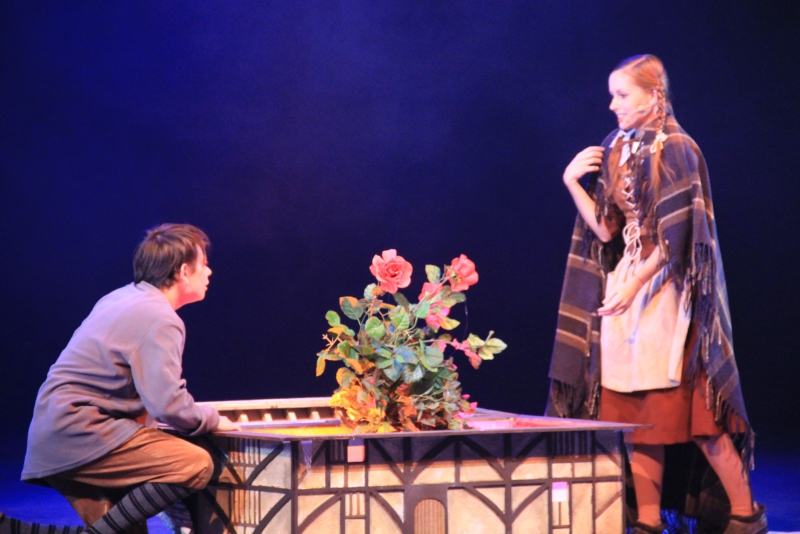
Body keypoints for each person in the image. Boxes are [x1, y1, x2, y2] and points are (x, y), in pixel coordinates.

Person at [545, 56, 766, 534]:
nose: (612, 105)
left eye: (622, 95)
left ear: (654, 95)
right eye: (612, 95)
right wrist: (571, 182)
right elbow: (606, 230)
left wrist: (633, 285)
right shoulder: (616, 146)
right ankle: (647, 521)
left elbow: (678, 238)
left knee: (697, 415)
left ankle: (745, 513)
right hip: (630, 284)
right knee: (634, 412)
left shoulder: (678, 148)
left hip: (669, 288)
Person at [9, 223, 239, 534]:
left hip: (55, 431)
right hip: (83, 433)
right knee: (195, 463)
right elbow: (168, 405)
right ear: (185, 271)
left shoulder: (121, 297)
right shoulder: (161, 318)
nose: (209, 272)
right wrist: (212, 420)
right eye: (205, 264)